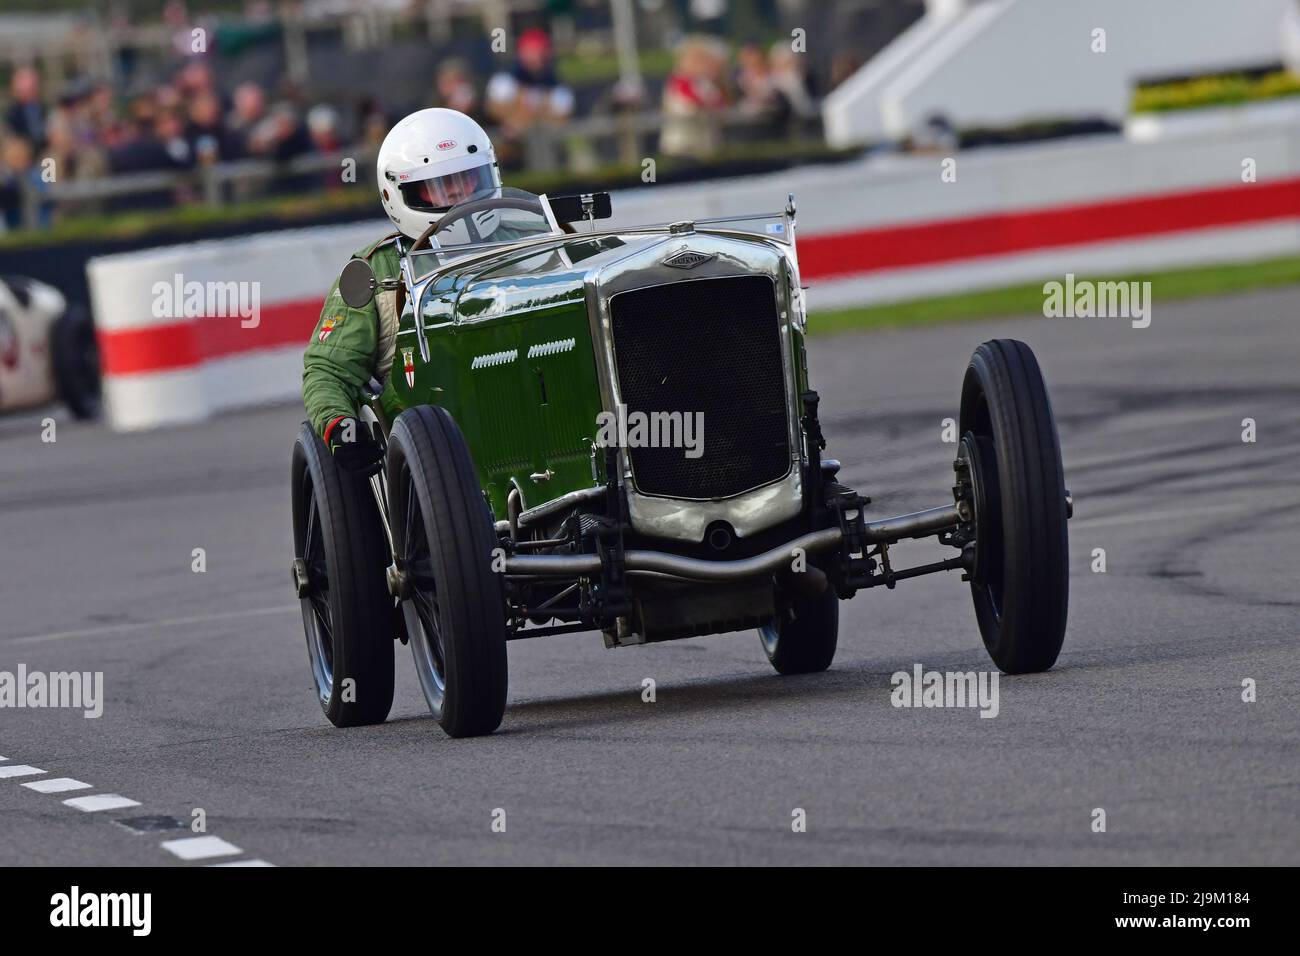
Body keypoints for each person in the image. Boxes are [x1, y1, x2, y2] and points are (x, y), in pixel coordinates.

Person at [302, 108, 517, 471]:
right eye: (441, 185)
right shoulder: (374, 270)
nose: (460, 194)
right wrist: (340, 426)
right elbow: (329, 368)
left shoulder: (533, 240)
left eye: (468, 179)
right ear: (400, 193)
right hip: (435, 453)